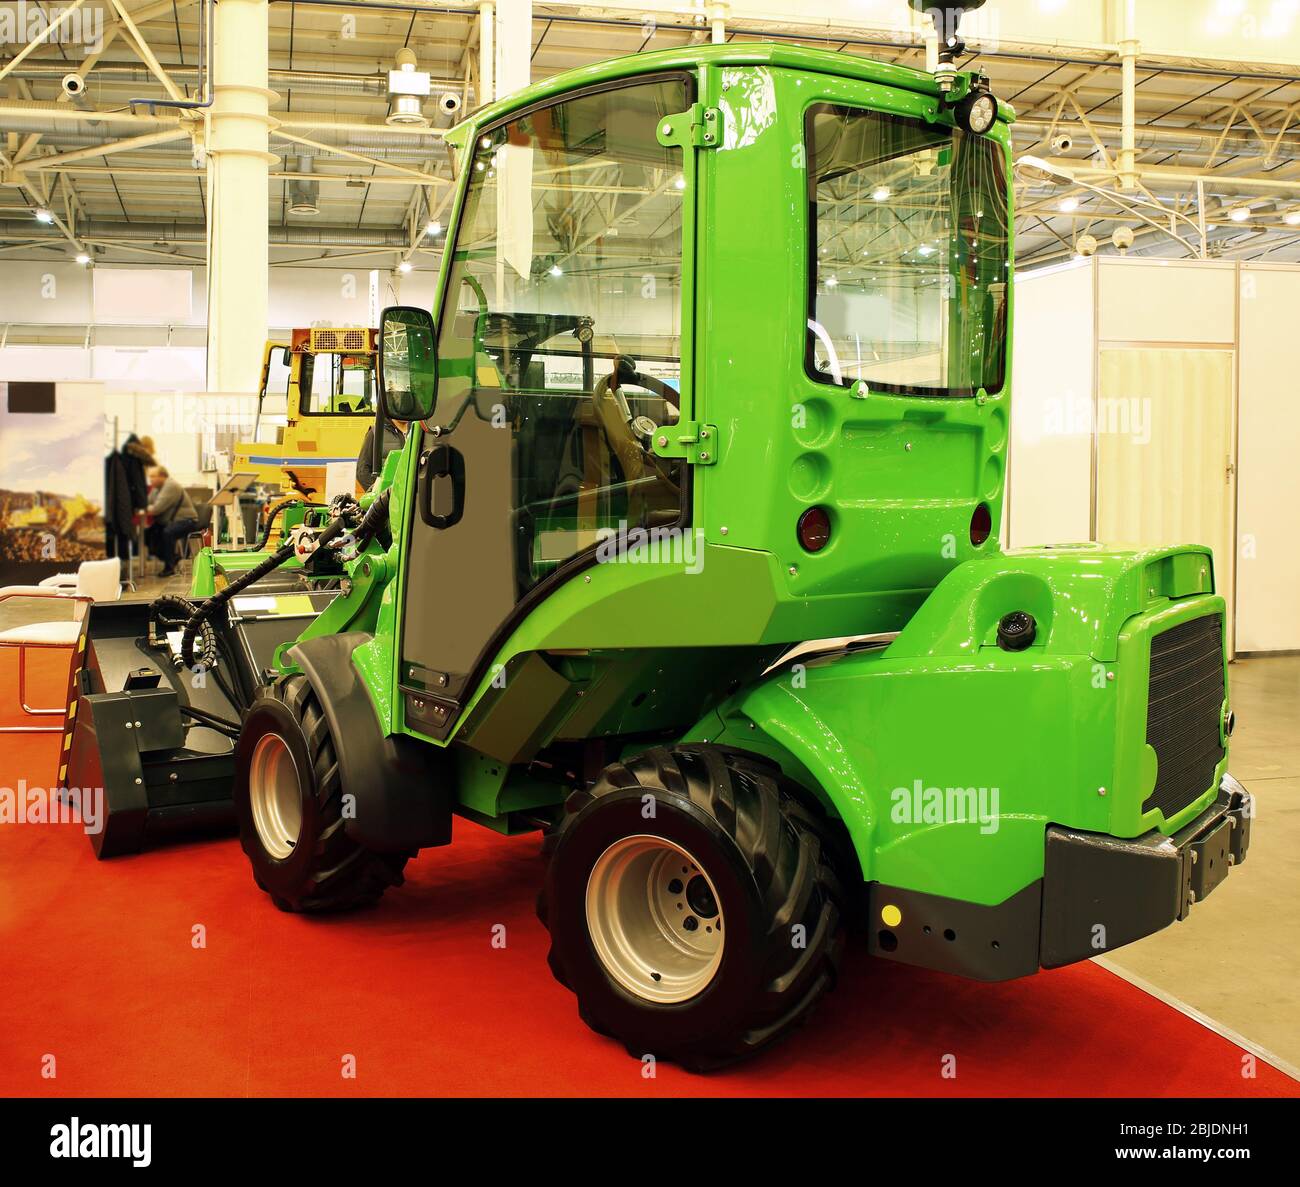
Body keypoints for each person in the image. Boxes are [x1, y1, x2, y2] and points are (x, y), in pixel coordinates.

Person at [144, 464, 199, 577]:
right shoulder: (157, 488)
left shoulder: (171, 486)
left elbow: (156, 509)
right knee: (147, 534)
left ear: (163, 476)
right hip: (170, 521)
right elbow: (147, 504)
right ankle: (173, 557)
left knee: (167, 533)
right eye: (150, 477)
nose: (151, 479)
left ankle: (169, 567)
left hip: (187, 520)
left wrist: (146, 508)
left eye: (153, 476)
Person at [355, 418, 408, 490]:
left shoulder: (420, 432)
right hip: (387, 498)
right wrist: (378, 494)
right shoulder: (376, 433)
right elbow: (362, 470)